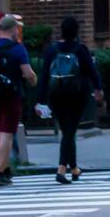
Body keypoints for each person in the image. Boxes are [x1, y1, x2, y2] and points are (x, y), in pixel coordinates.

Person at [37, 17, 104, 185]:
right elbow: (92, 71)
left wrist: (40, 100)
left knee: (67, 130)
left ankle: (74, 168)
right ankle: (61, 168)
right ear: (76, 32)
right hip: (77, 95)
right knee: (69, 131)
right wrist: (98, 89)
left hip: (56, 94)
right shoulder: (80, 49)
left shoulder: (52, 50)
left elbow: (44, 76)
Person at [0, 14, 37, 186]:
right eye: (17, 28)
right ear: (13, 29)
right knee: (7, 134)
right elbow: (28, 73)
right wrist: (34, 81)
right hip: (12, 96)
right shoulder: (17, 49)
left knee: (0, 133)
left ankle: (5, 169)